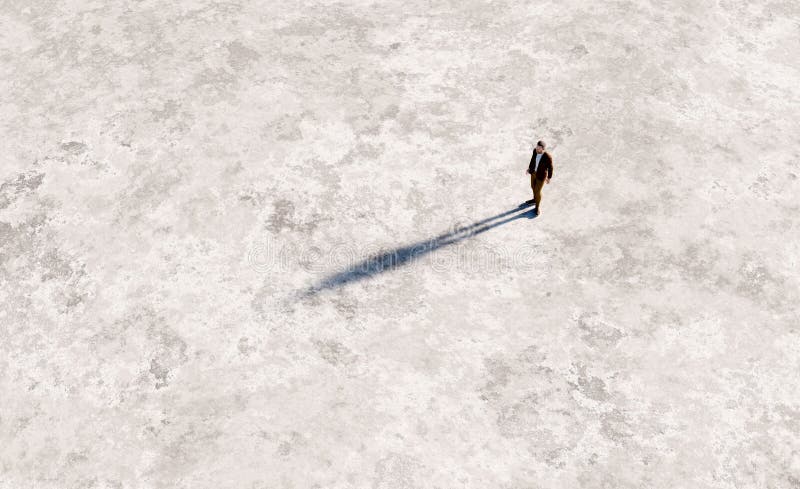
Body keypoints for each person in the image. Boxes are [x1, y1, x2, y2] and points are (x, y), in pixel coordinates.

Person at [525, 140, 553, 215]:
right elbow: (532, 160)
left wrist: (549, 178)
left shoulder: (547, 157)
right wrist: (529, 169)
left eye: (539, 148)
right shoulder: (535, 151)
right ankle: (534, 200)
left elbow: (550, 168)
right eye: (537, 146)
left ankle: (537, 207)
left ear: (543, 149)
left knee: (537, 191)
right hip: (533, 173)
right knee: (532, 187)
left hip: (541, 176)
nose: (537, 148)